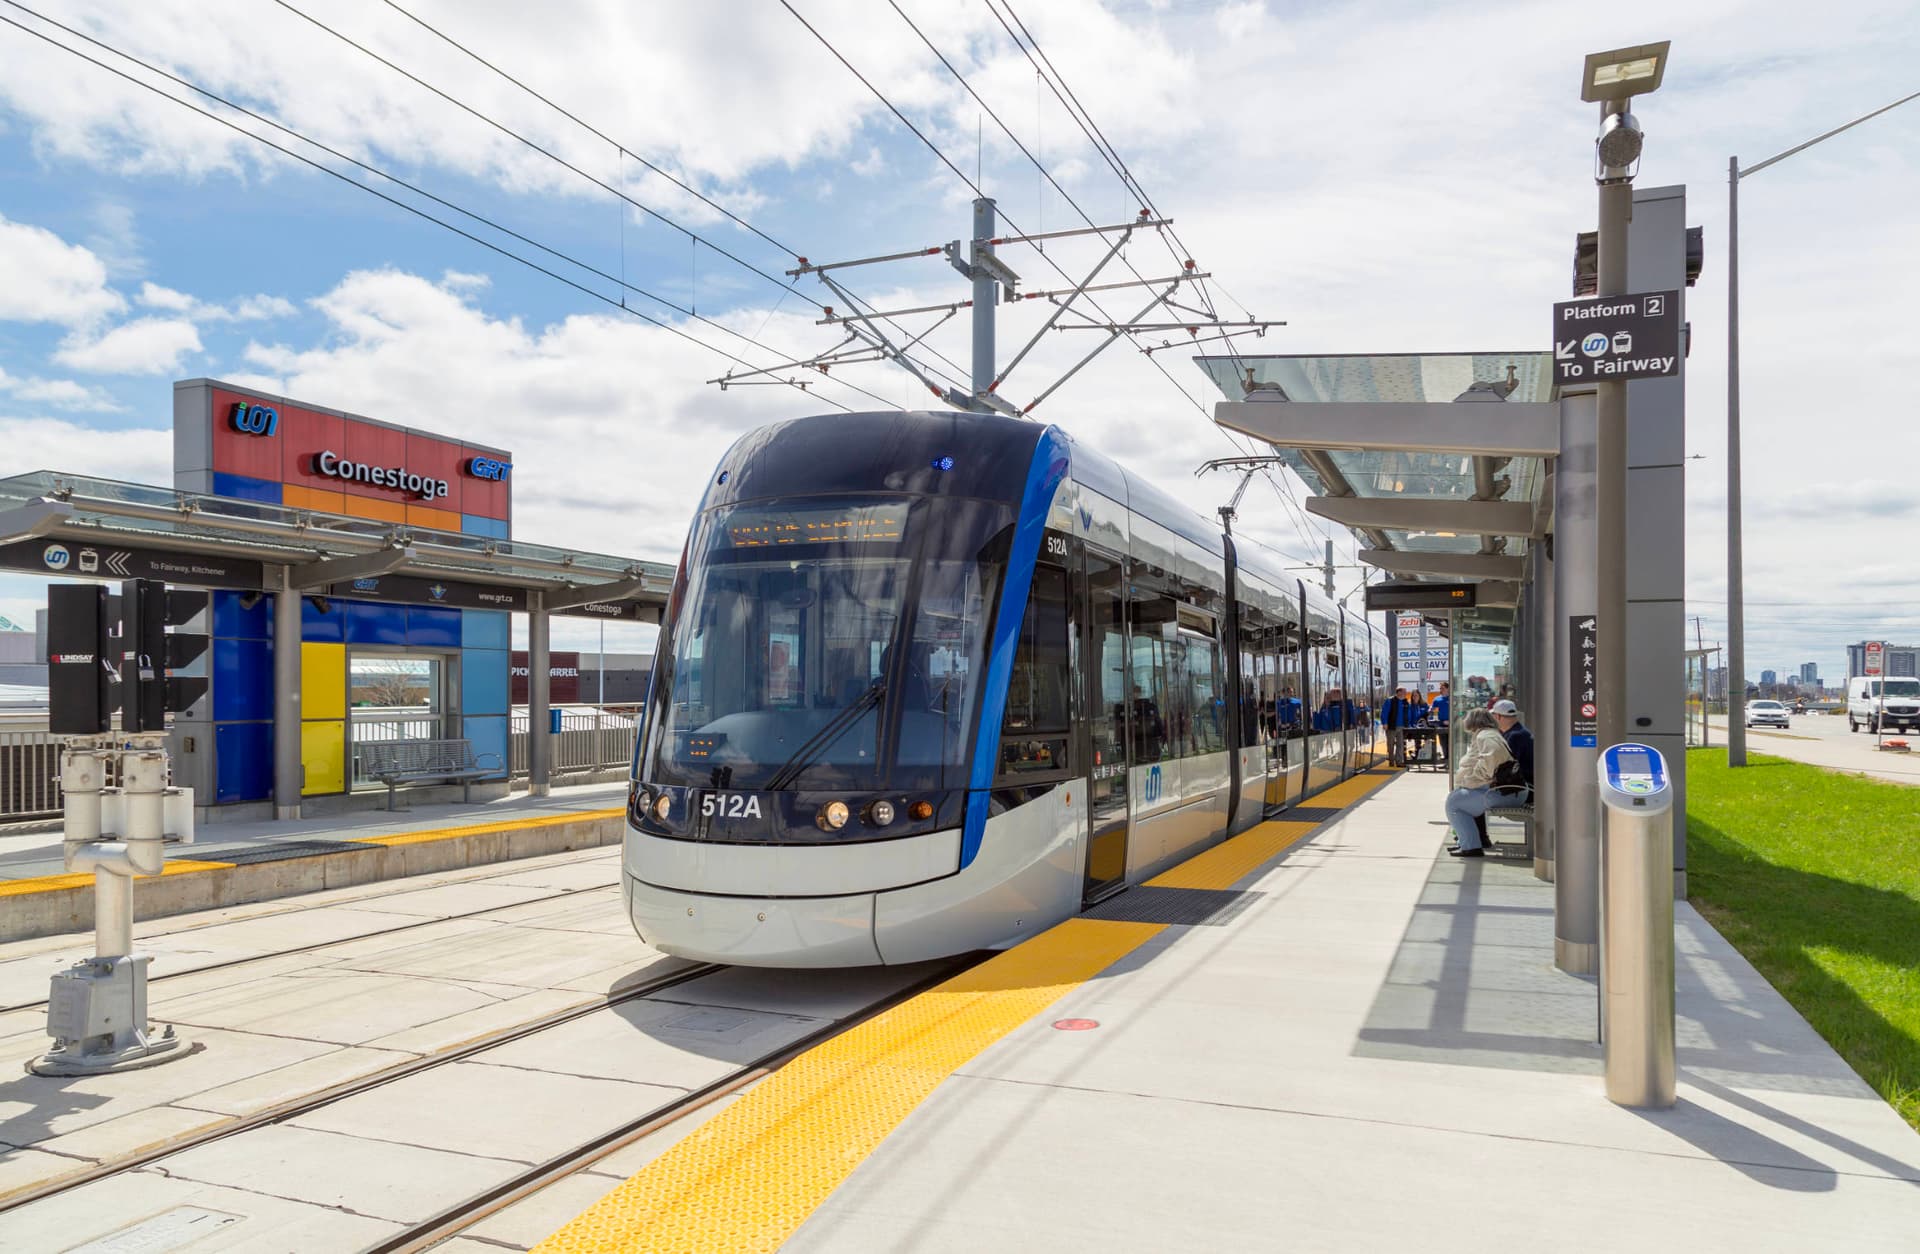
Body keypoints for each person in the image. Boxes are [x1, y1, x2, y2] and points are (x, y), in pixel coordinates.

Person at [1445, 707, 1512, 858]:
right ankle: (1467, 843)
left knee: (1454, 803)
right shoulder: (1488, 734)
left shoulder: (1485, 736)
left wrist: (1472, 779)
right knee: (1458, 799)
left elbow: (1490, 760)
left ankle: (1471, 847)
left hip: (1502, 792)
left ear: (1473, 721)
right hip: (1505, 790)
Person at [1384, 688, 1409, 766]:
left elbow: (1408, 713)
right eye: (1404, 692)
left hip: (1402, 727)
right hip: (1391, 726)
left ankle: (1399, 761)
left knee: (1400, 744)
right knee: (1390, 744)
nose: (1405, 693)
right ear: (1399, 692)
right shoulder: (1390, 701)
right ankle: (1391, 760)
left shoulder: (1405, 702)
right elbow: (1384, 712)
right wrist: (1385, 723)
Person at [1431, 682, 1451, 765]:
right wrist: (1436, 722)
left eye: (1442, 688)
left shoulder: (1452, 698)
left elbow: (1459, 712)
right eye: (1440, 688)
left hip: (1451, 725)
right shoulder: (1437, 700)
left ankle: (1451, 761)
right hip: (1441, 724)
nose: (1441, 690)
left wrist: (1451, 721)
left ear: (1448, 689)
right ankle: (1446, 760)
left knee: (1451, 743)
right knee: (1443, 743)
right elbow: (1435, 712)